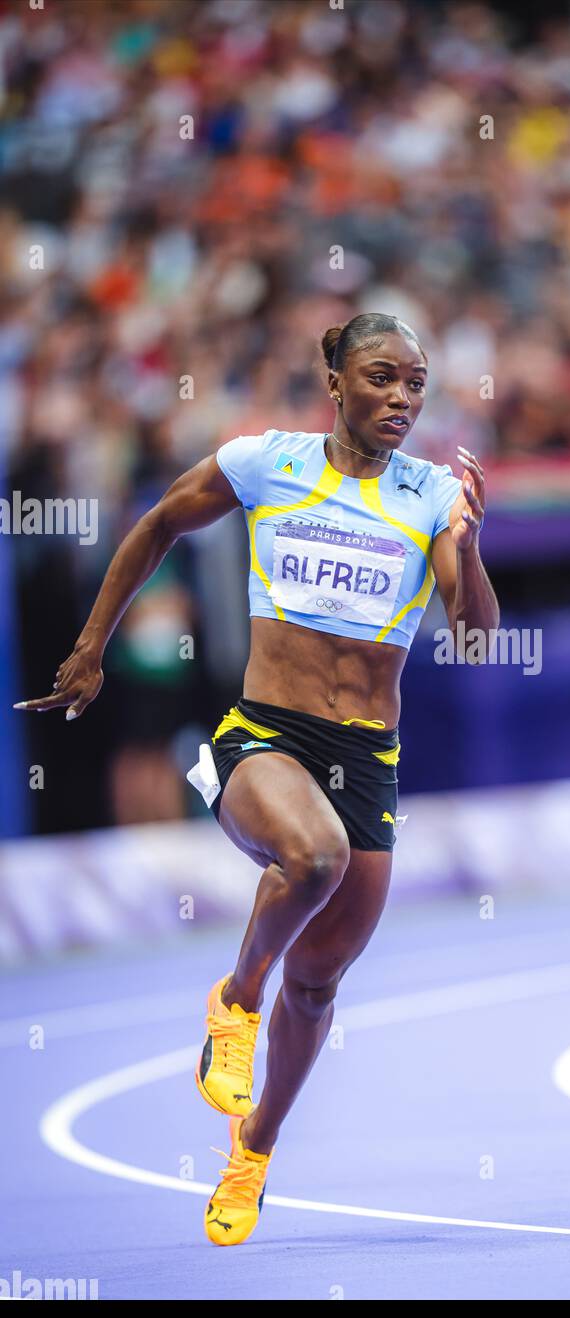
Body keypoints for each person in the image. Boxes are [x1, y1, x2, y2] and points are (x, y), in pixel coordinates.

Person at [15, 312, 499, 1242]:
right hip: (262, 736)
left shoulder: (433, 493)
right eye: (381, 378)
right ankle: (234, 1000)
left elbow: (475, 638)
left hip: (369, 759)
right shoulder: (264, 463)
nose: (401, 398)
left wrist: (470, 544)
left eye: (415, 384)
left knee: (318, 988)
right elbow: (156, 524)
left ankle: (254, 1150)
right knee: (309, 859)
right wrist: (90, 649)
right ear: (333, 379)